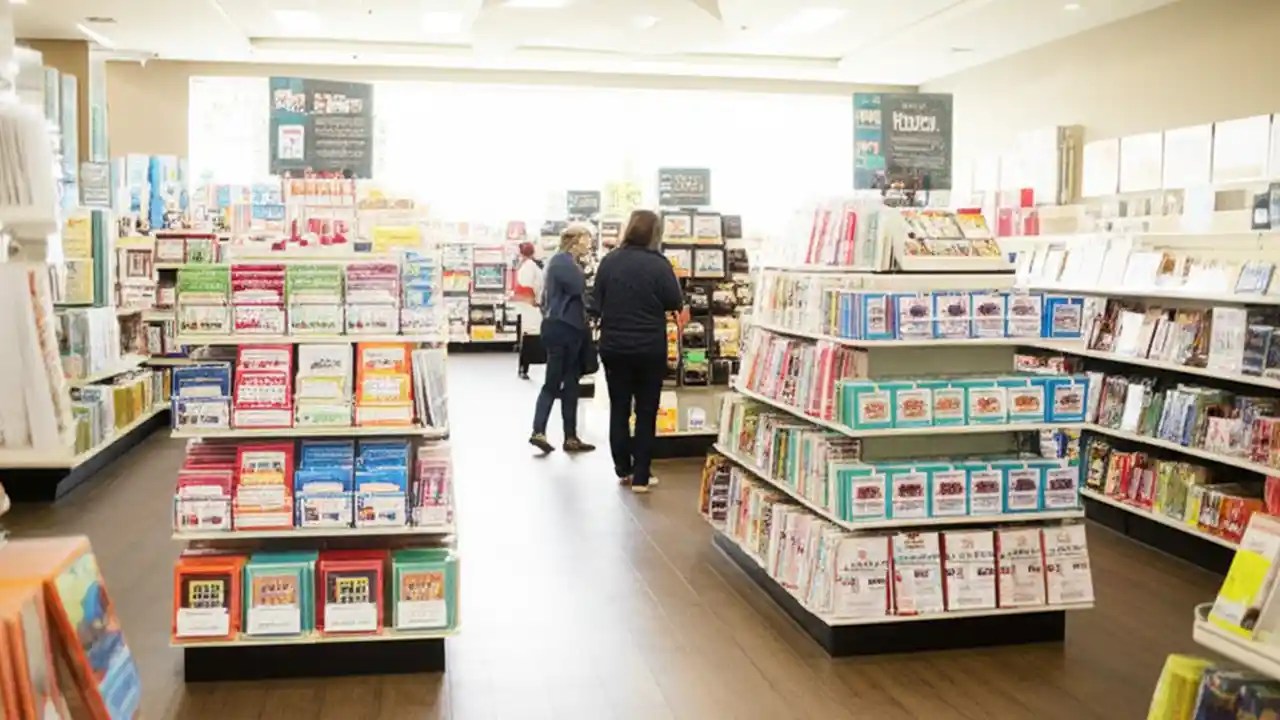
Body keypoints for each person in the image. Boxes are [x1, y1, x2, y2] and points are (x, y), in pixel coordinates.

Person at [592, 209, 684, 493]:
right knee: (646, 411)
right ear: (655, 234)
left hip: (614, 347)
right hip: (649, 348)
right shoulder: (659, 264)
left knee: (619, 408)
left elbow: (595, 305)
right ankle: (642, 476)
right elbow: (674, 301)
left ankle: (623, 468)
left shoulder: (609, 262)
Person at [529, 226, 597, 454]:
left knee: (570, 384)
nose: (589, 244)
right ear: (575, 240)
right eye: (587, 240)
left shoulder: (558, 261)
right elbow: (578, 287)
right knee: (554, 382)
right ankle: (539, 431)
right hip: (564, 327)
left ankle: (570, 436)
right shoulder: (563, 262)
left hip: (563, 326)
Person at [512, 242, 544, 379]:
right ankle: (524, 368)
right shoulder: (532, 266)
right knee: (530, 338)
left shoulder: (527, 267)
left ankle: (523, 368)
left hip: (528, 308)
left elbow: (525, 288)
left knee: (527, 338)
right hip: (532, 307)